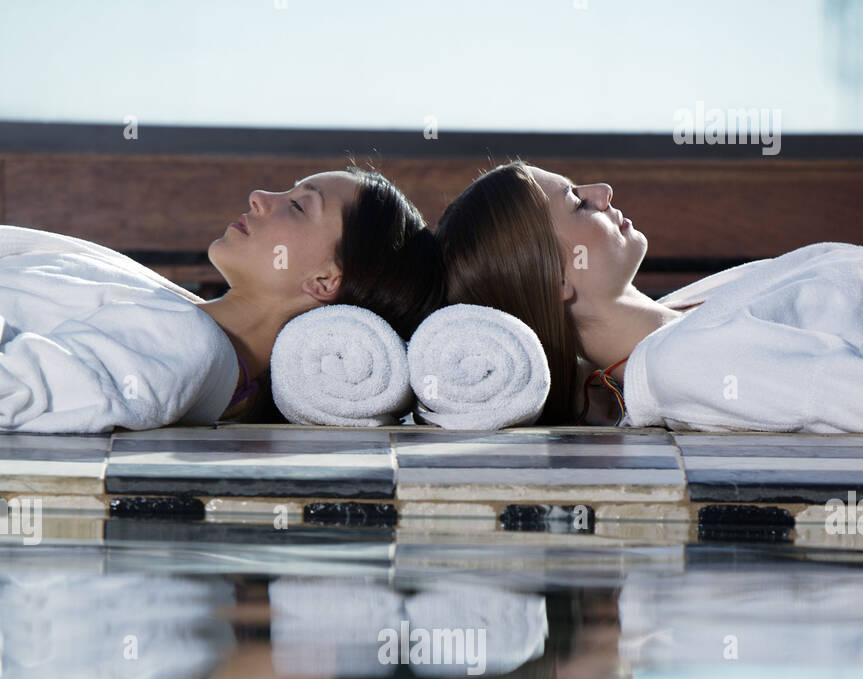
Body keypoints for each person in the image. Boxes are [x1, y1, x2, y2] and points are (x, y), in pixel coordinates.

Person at [0, 167, 443, 433]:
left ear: (325, 280)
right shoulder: (177, 316)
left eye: (299, 206)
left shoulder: (187, 346)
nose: (260, 198)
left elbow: (19, 389)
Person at [434, 160, 863, 432]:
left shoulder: (682, 318)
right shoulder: (681, 363)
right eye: (578, 204)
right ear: (555, 281)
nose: (601, 191)